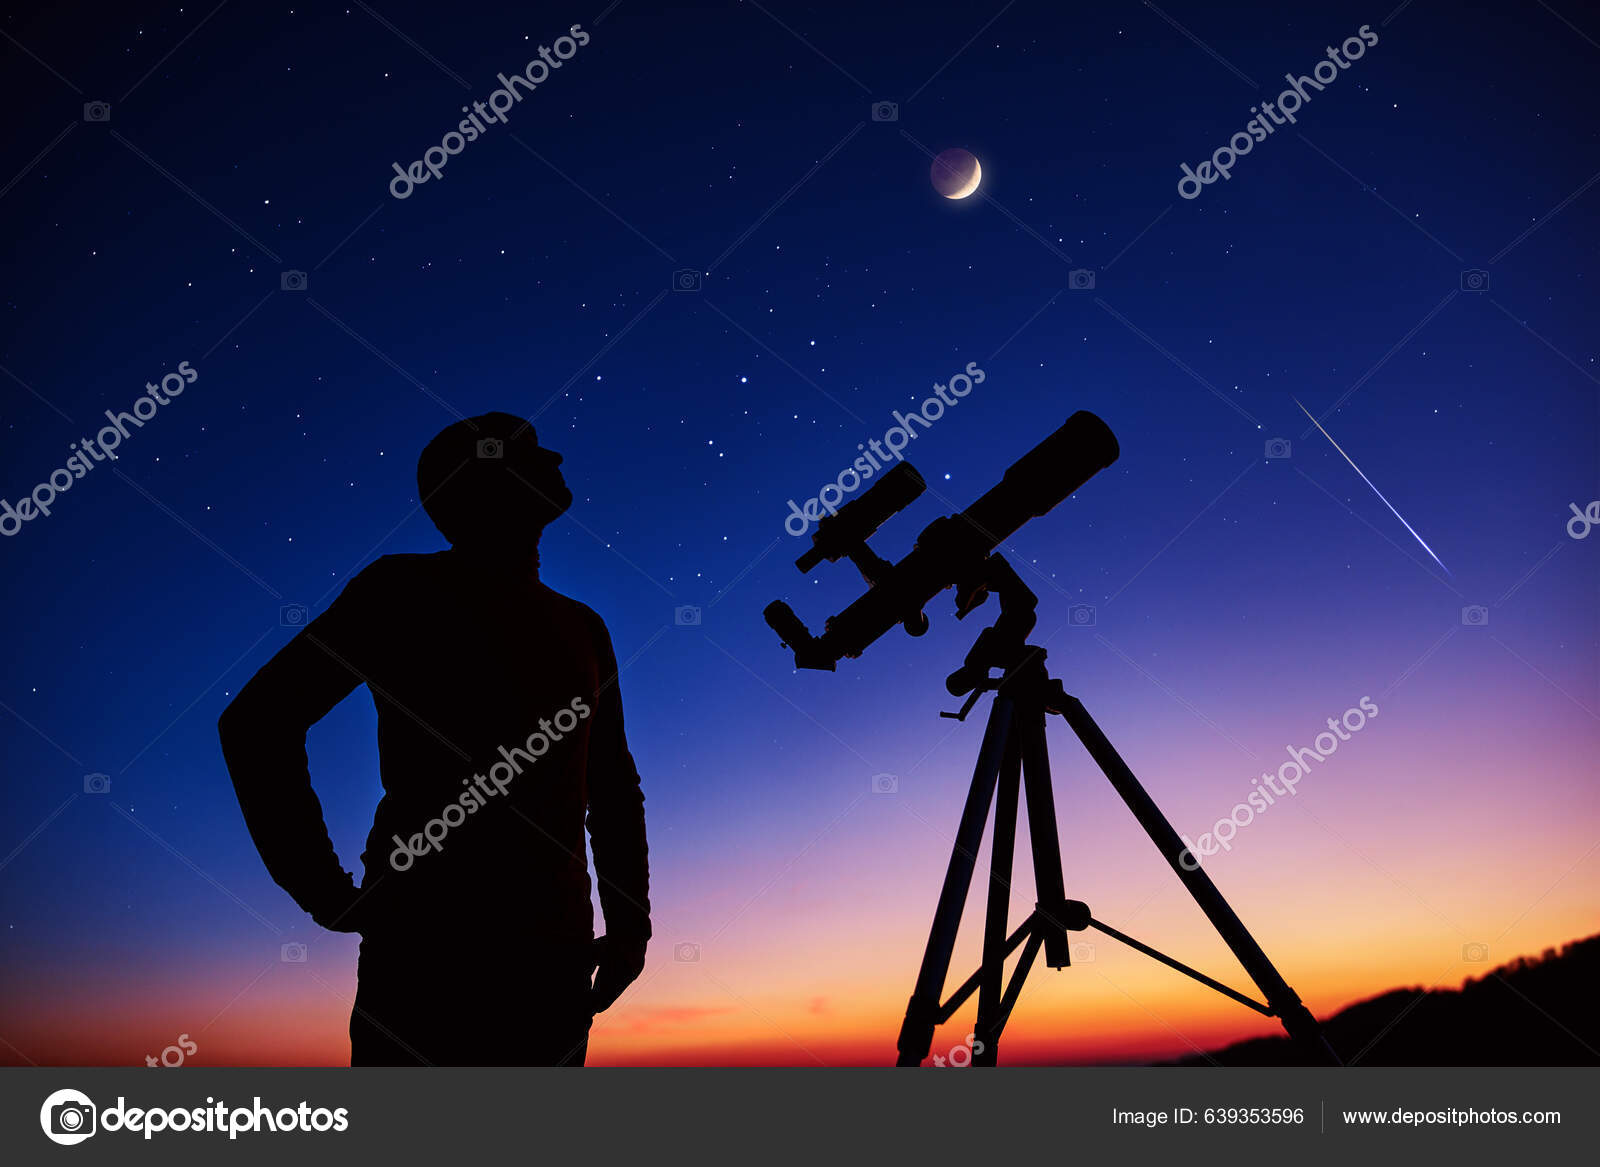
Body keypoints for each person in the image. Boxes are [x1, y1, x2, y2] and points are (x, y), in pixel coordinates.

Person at [218, 412, 650, 1065]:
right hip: (428, 960)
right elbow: (258, 721)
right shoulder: (401, 591)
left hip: (547, 964)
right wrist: (321, 888)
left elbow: (611, 788)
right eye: (529, 451)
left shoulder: (585, 628)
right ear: (484, 481)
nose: (555, 456)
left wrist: (627, 929)